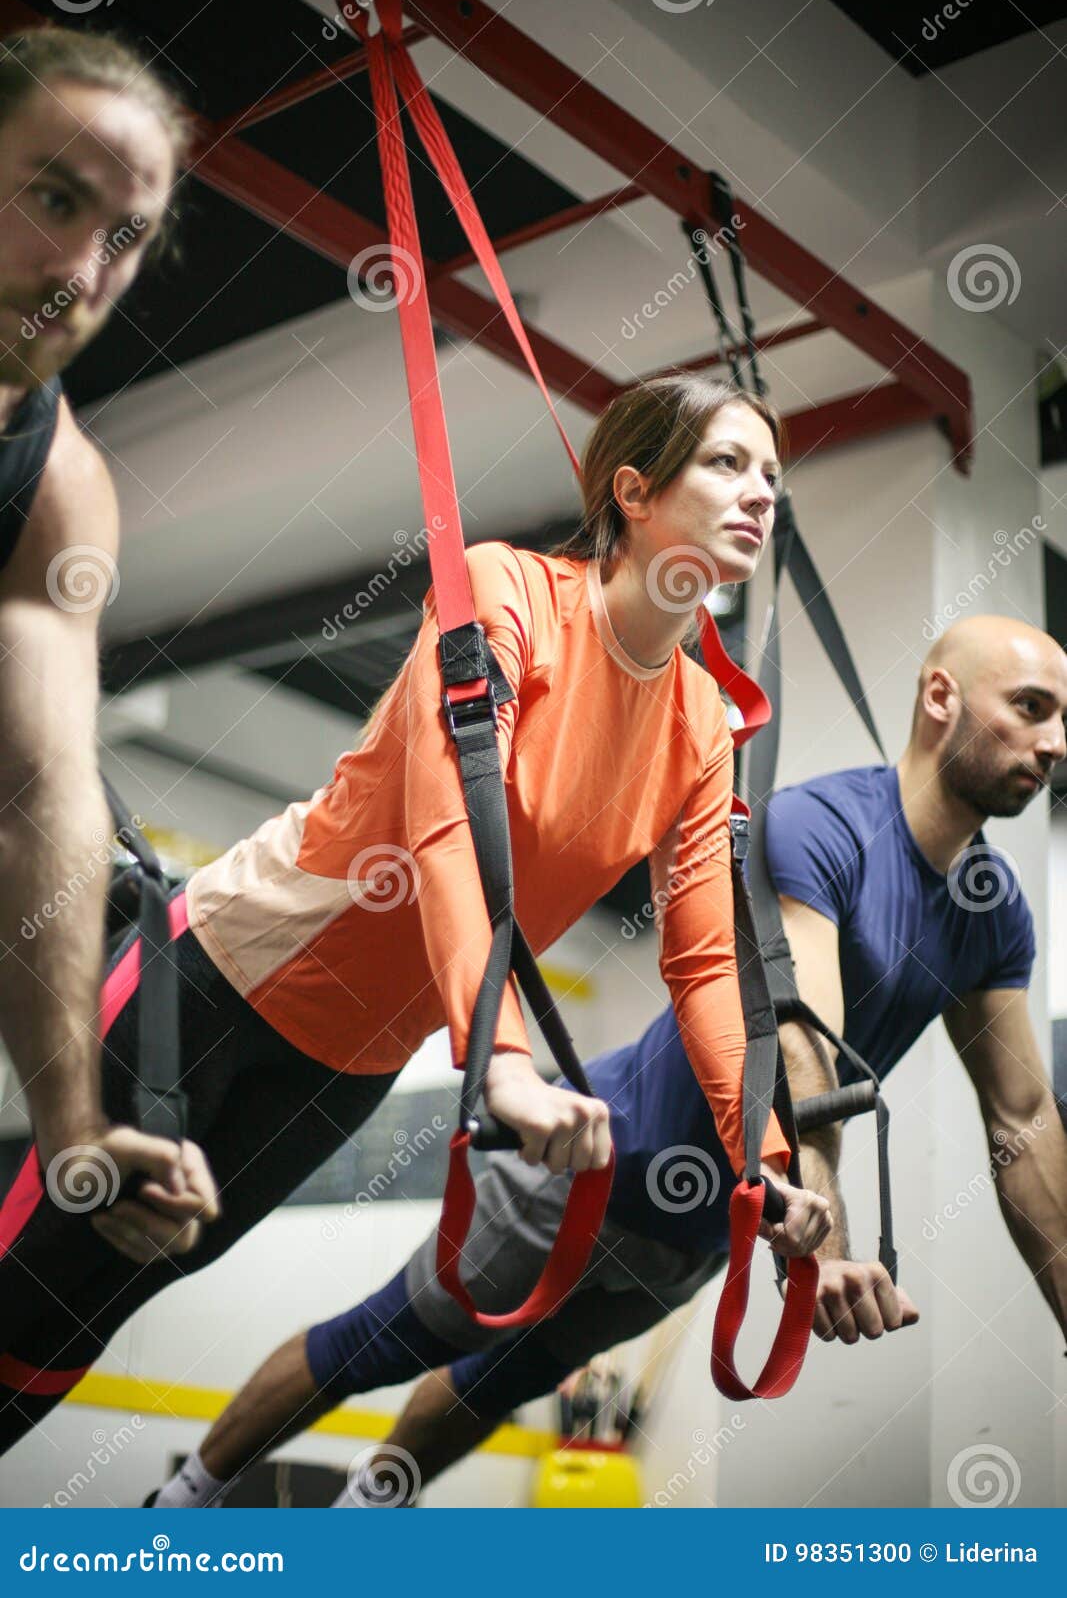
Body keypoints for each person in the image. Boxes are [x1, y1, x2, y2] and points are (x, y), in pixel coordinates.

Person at [0, 374, 832, 1455]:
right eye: (727, 463)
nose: (761, 492)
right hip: (223, 971)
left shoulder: (698, 722)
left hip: (348, 1063)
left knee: (111, 1297)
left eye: (771, 473)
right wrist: (501, 1065)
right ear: (632, 491)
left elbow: (707, 964)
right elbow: (449, 831)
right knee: (46, 1261)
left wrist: (762, 1160)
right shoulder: (504, 591)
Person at [148, 614, 1067, 1509]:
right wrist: (823, 1251)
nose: (1055, 742)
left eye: (1062, 719)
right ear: (940, 698)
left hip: (705, 1229)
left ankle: (366, 1518)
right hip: (597, 1166)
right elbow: (796, 1044)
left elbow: (1022, 1120)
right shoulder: (823, 826)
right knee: (383, 1343)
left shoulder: (991, 910)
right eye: (1029, 707)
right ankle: (182, 1504)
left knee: (496, 1385)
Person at [0, 26, 217, 1259]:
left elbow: (39, 796)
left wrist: (71, 1129)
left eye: (125, 235)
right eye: (54, 198)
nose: (81, 270)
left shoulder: (56, 487)